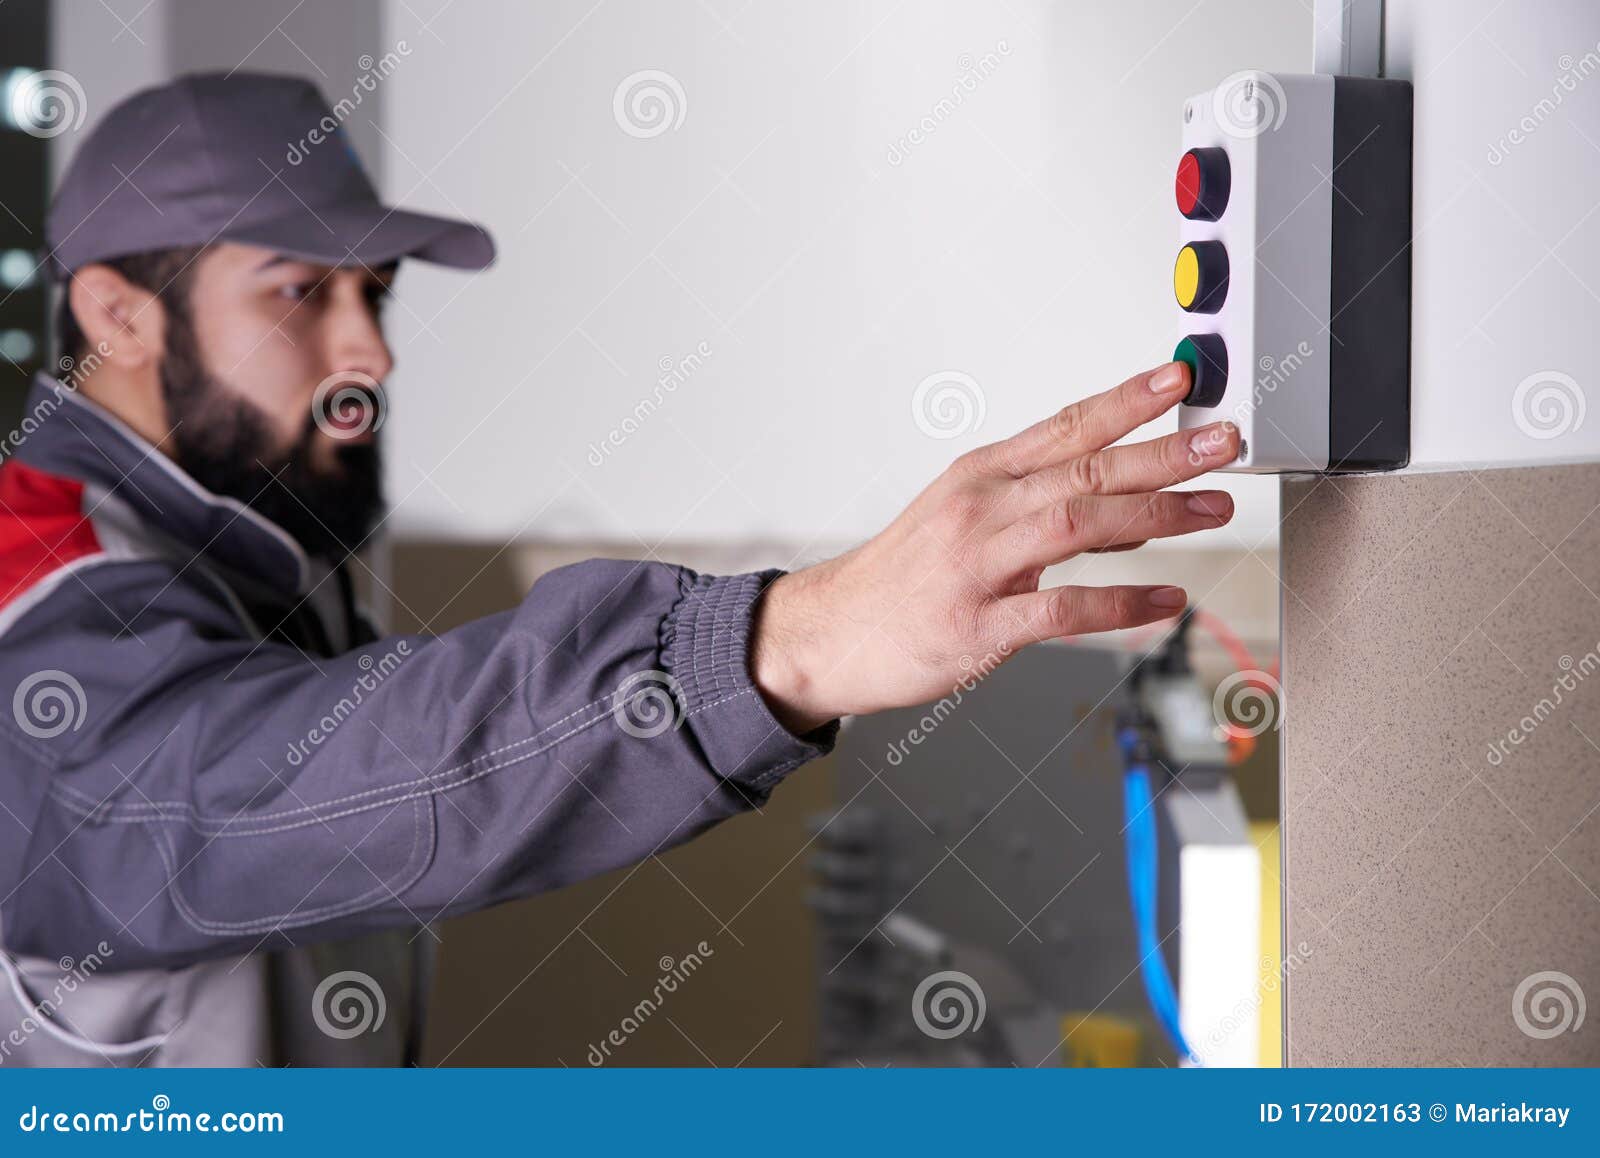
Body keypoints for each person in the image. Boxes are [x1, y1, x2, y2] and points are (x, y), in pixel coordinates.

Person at [0, 73, 1239, 1066]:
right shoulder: (37, 560)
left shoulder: (256, 545)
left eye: (374, 294)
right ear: (117, 317)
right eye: (302, 291)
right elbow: (189, 809)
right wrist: (780, 645)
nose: (367, 350)